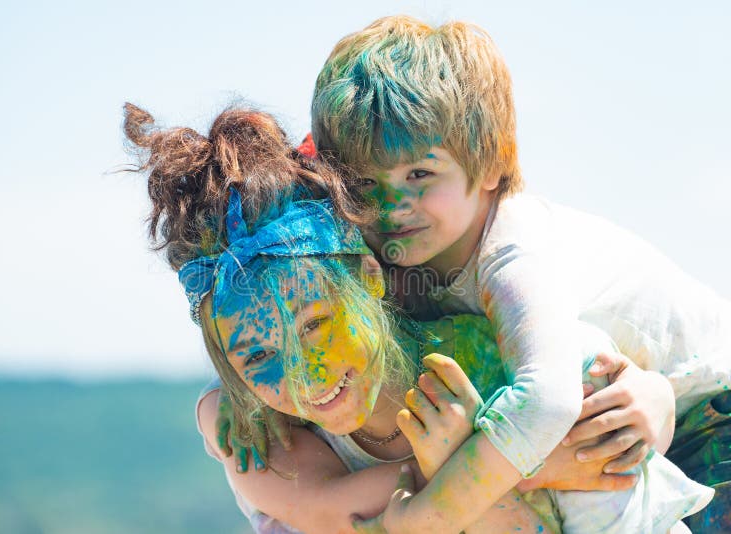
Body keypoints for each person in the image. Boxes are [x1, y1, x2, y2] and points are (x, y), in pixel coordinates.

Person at [123, 103, 711, 533]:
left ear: (371, 280)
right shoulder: (263, 443)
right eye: (255, 357)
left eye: (314, 326)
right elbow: (340, 509)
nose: (304, 375)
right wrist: (489, 470)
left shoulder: (533, 374)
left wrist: (486, 466)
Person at [310, 15, 731, 532]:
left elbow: (547, 400)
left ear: (488, 164)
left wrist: (427, 515)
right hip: (632, 431)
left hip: (712, 413)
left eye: (420, 173)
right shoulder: (397, 253)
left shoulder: (513, 249)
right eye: (365, 182)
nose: (392, 204)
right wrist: (242, 409)